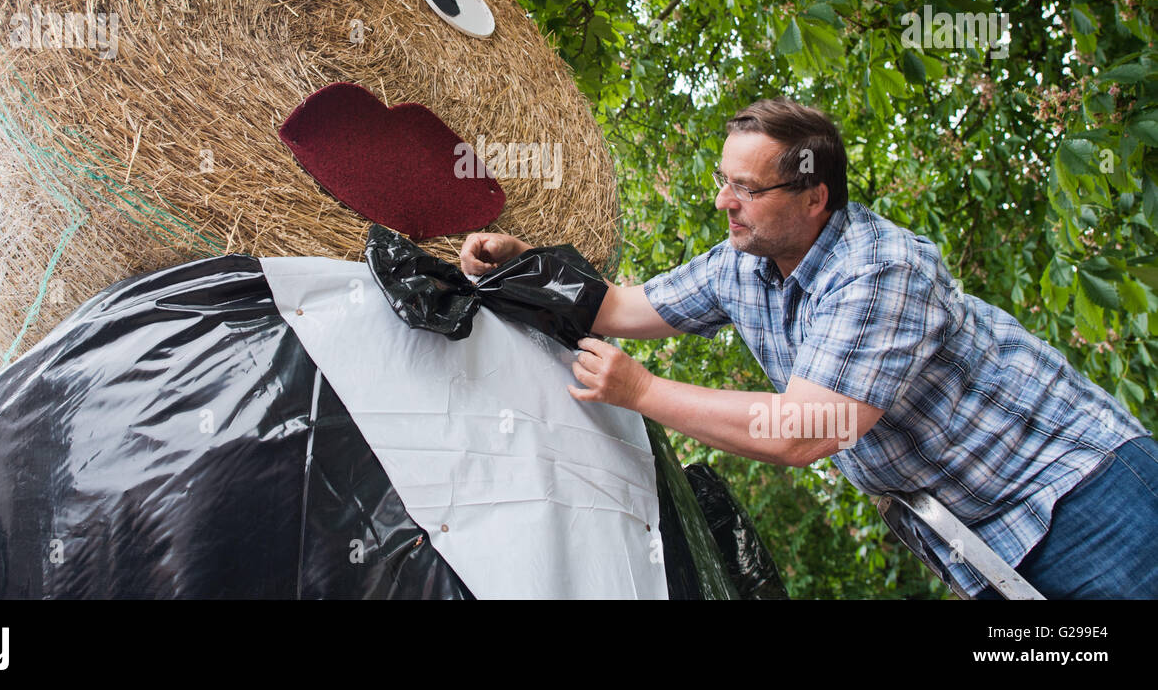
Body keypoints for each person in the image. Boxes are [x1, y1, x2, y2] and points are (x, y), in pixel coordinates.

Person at [459, 97, 1158, 599]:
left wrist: (643, 392)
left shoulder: (880, 270)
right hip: (986, 540)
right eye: (722, 180)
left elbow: (806, 430)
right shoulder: (742, 261)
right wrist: (526, 261)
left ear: (814, 197)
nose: (723, 202)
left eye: (746, 188)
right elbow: (617, 306)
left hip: (1087, 497)